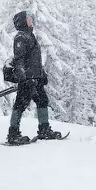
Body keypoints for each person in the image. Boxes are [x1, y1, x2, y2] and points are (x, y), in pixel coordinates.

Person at [7, 10, 63, 144]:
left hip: (35, 78)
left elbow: (34, 60)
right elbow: (19, 59)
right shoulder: (21, 37)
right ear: (22, 22)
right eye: (28, 18)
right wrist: (24, 78)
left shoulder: (30, 35)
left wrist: (41, 75)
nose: (31, 20)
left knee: (43, 100)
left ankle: (44, 130)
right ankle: (13, 134)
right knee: (20, 105)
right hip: (27, 79)